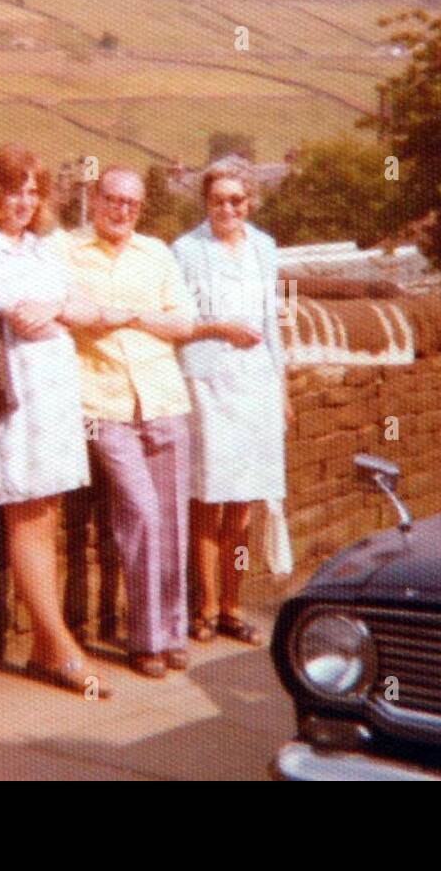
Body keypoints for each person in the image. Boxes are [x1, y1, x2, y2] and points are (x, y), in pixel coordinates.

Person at [55, 167, 256, 678]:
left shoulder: (156, 254)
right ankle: (145, 639)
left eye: (131, 203)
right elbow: (71, 312)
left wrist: (124, 315)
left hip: (165, 399)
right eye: (113, 199)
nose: (121, 210)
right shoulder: (65, 250)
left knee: (170, 519)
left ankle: (169, 633)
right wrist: (124, 314)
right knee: (141, 512)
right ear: (95, 199)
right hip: (103, 403)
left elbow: (182, 323)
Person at [0, 144, 115, 698]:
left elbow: (89, 310)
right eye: (13, 189)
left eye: (32, 191)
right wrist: (57, 310)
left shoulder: (46, 250)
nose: (23, 202)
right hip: (12, 406)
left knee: (45, 516)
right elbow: (26, 318)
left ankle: (44, 649)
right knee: (25, 519)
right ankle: (63, 647)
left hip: (52, 402)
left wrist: (56, 309)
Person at [172, 166, 291, 646]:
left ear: (250, 202)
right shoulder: (186, 250)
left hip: (256, 382)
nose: (228, 209)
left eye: (237, 200)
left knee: (242, 503)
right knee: (207, 498)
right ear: (206, 202)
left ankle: (231, 606)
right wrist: (221, 330)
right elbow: (180, 321)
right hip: (208, 382)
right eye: (219, 200)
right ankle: (202, 606)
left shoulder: (264, 247)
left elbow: (271, 321)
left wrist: (282, 388)